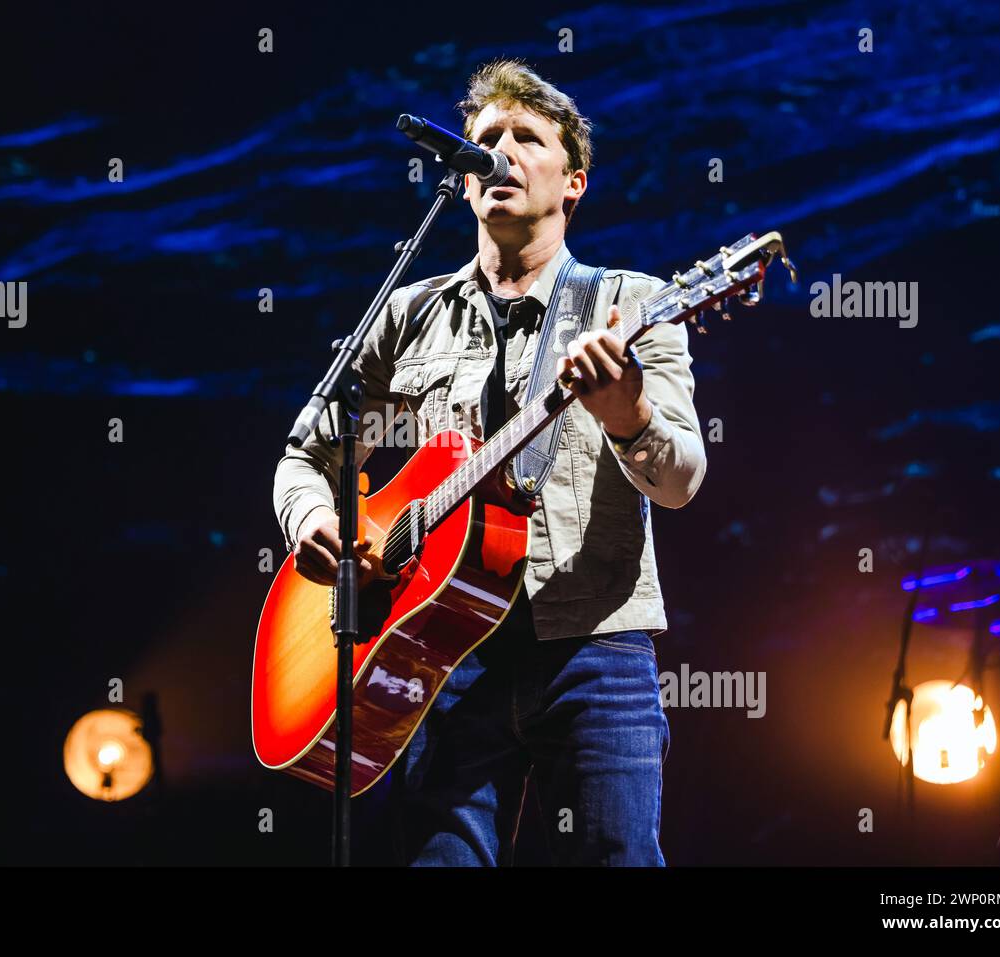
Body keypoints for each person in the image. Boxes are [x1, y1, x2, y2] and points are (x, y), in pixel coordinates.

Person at [272, 58, 706, 866]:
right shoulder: (407, 315)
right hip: (438, 651)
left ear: (573, 183)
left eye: (527, 138)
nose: (501, 151)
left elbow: (681, 481)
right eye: (486, 139)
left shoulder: (633, 305)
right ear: (465, 181)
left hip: (593, 648)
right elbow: (307, 454)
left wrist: (628, 413)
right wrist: (316, 518)